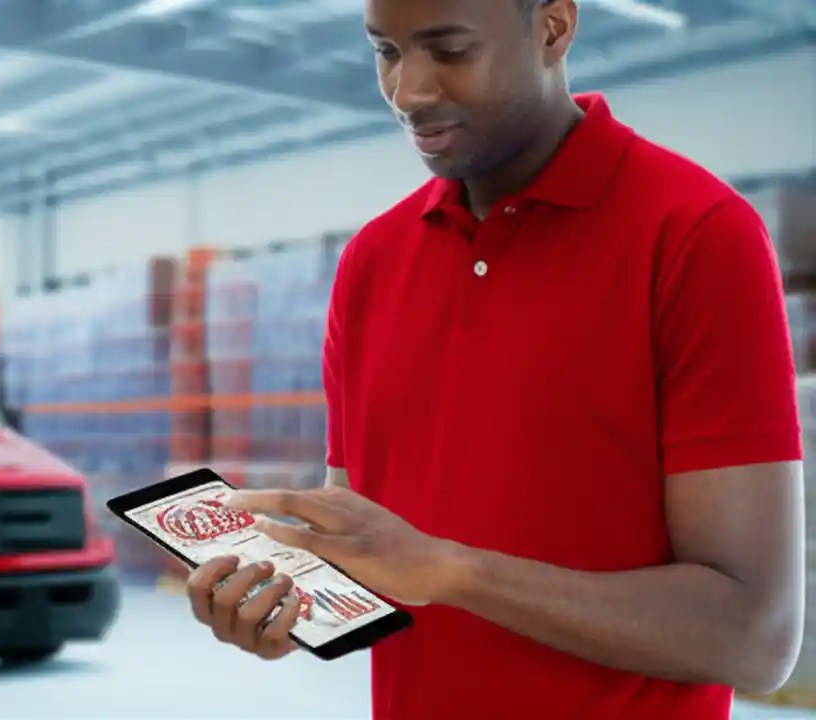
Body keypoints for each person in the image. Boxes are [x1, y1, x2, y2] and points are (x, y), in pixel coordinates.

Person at [184, 0, 805, 718]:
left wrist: (453, 572)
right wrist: (289, 607)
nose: (409, 91)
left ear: (553, 26)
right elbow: (373, 558)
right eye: (386, 52)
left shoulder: (695, 236)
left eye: (449, 50)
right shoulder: (373, 263)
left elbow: (755, 635)